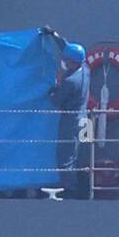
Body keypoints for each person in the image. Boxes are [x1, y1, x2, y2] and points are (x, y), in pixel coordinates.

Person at [40, 27, 90, 198]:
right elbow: (68, 48)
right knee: (74, 154)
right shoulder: (85, 69)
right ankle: (76, 185)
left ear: (73, 63)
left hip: (71, 120)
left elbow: (55, 101)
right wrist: (55, 36)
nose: (64, 62)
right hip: (82, 118)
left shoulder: (70, 82)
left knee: (64, 157)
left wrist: (52, 89)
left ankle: (70, 190)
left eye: (67, 61)